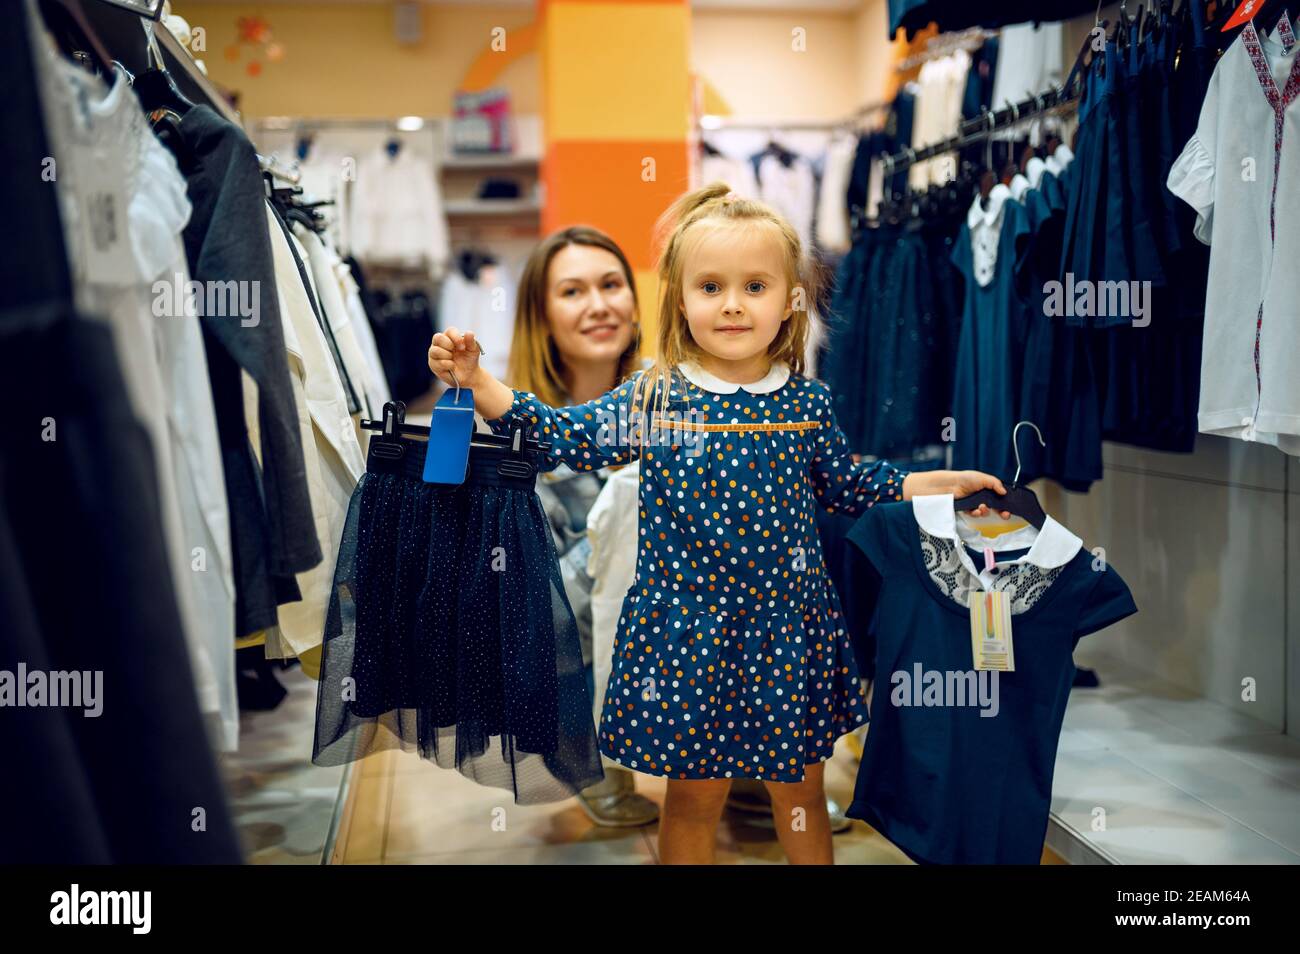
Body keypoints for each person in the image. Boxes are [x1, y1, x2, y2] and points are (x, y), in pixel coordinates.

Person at [429, 183, 1008, 864]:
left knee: (796, 793)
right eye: (710, 286)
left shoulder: (807, 402)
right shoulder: (656, 395)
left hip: (788, 630)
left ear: (791, 298)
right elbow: (561, 437)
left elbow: (847, 482)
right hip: (686, 636)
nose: (732, 304)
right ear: (680, 297)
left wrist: (926, 483)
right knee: (694, 797)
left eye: (755, 286)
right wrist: (478, 382)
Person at [503, 226, 659, 828]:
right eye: (572, 291)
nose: (598, 305)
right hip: (577, 608)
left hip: (686, 604)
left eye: (611, 285)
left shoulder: (675, 394)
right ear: (541, 315)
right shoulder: (513, 420)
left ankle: (747, 766)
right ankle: (590, 760)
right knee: (560, 591)